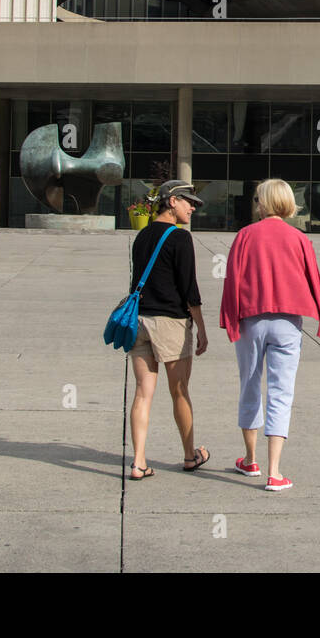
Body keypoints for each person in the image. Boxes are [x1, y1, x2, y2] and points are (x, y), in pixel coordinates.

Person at [220, 179, 320, 492]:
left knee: (249, 385)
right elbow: (314, 280)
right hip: (288, 322)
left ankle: (250, 459)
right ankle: (274, 472)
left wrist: (229, 318)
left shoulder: (245, 235)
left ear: (262, 202)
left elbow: (232, 280)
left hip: (251, 321)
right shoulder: (298, 238)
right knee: (281, 392)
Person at [127, 180, 210, 481]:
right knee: (179, 392)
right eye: (189, 201)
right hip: (170, 323)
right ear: (172, 201)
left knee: (142, 394)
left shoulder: (142, 236)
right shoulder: (180, 239)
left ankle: (138, 462)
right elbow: (190, 289)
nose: (192, 208)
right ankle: (190, 456)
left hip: (139, 321)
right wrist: (201, 328)